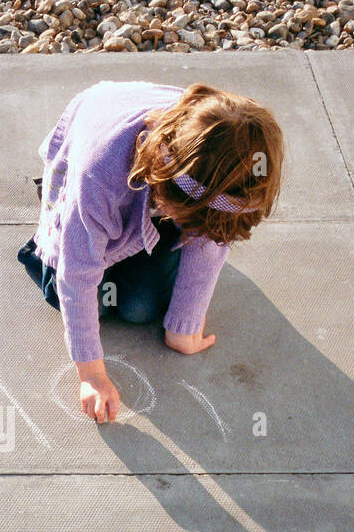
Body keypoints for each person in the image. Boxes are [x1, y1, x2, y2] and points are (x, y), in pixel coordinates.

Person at [17, 80, 284, 423]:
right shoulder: (100, 177)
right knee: (78, 297)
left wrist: (184, 327)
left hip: (161, 186)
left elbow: (212, 237)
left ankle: (135, 231)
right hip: (107, 163)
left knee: (139, 306)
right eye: (196, 220)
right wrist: (92, 376)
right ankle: (54, 230)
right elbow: (77, 276)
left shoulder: (226, 170)